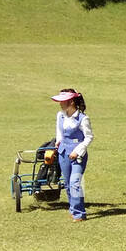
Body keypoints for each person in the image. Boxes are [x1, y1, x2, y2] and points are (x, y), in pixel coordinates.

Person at [51, 89, 93, 222]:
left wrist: (77, 151)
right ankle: (73, 209)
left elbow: (89, 137)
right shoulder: (60, 115)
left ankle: (79, 214)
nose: (60, 104)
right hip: (63, 152)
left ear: (71, 102)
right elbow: (59, 132)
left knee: (75, 182)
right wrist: (58, 142)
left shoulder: (83, 119)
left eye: (63, 101)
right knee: (68, 184)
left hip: (78, 154)